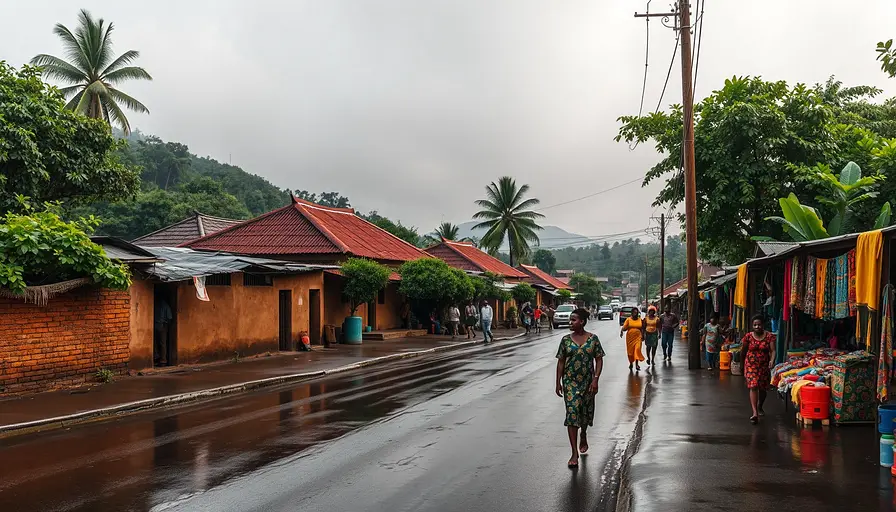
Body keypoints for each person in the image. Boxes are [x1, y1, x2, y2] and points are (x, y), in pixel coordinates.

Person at [555, 308, 605, 469]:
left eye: (573, 320)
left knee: (585, 412)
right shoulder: (565, 340)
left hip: (588, 382)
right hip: (570, 382)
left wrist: (595, 379)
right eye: (570, 320)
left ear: (582, 321)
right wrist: (558, 382)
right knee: (572, 413)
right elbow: (561, 361)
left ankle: (583, 433)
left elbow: (599, 360)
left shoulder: (593, 339)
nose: (570, 322)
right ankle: (574, 453)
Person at [742, 314, 776, 424]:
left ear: (763, 325)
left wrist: (772, 360)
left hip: (764, 365)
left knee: (762, 388)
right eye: (755, 325)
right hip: (751, 365)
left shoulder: (769, 336)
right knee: (753, 385)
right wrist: (742, 365)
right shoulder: (748, 337)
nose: (757, 327)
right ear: (752, 326)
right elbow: (743, 350)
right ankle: (754, 412)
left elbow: (773, 350)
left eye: (759, 325)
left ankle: (760, 405)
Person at [620, 307, 646, 371]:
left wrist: (643, 336)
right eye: (634, 312)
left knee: (637, 349)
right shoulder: (628, 319)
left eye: (636, 312)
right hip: (630, 338)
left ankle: (637, 364)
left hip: (638, 337)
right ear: (631, 313)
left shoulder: (640, 320)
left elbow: (642, 328)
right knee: (630, 353)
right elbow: (624, 327)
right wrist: (622, 331)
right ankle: (631, 363)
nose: (635, 314)